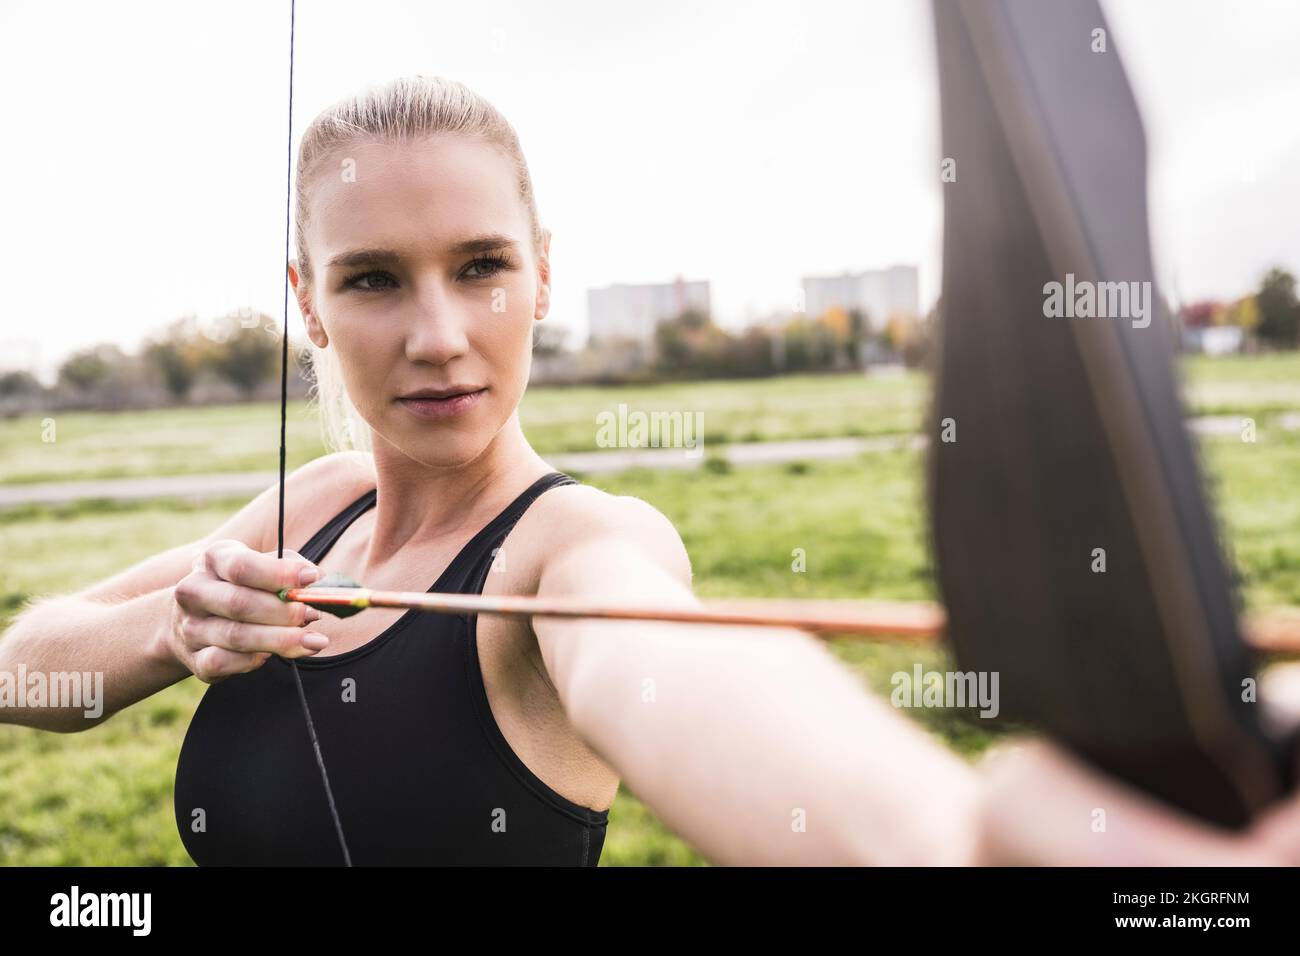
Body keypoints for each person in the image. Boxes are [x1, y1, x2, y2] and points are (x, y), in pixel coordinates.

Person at [1, 75, 1296, 866]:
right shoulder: (318, 508)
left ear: (542, 272)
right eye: (375, 279)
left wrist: (951, 847)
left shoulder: (578, 551)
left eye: (482, 265)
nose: (441, 334)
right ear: (308, 300)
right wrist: (174, 634)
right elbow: (26, 670)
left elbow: (670, 664)